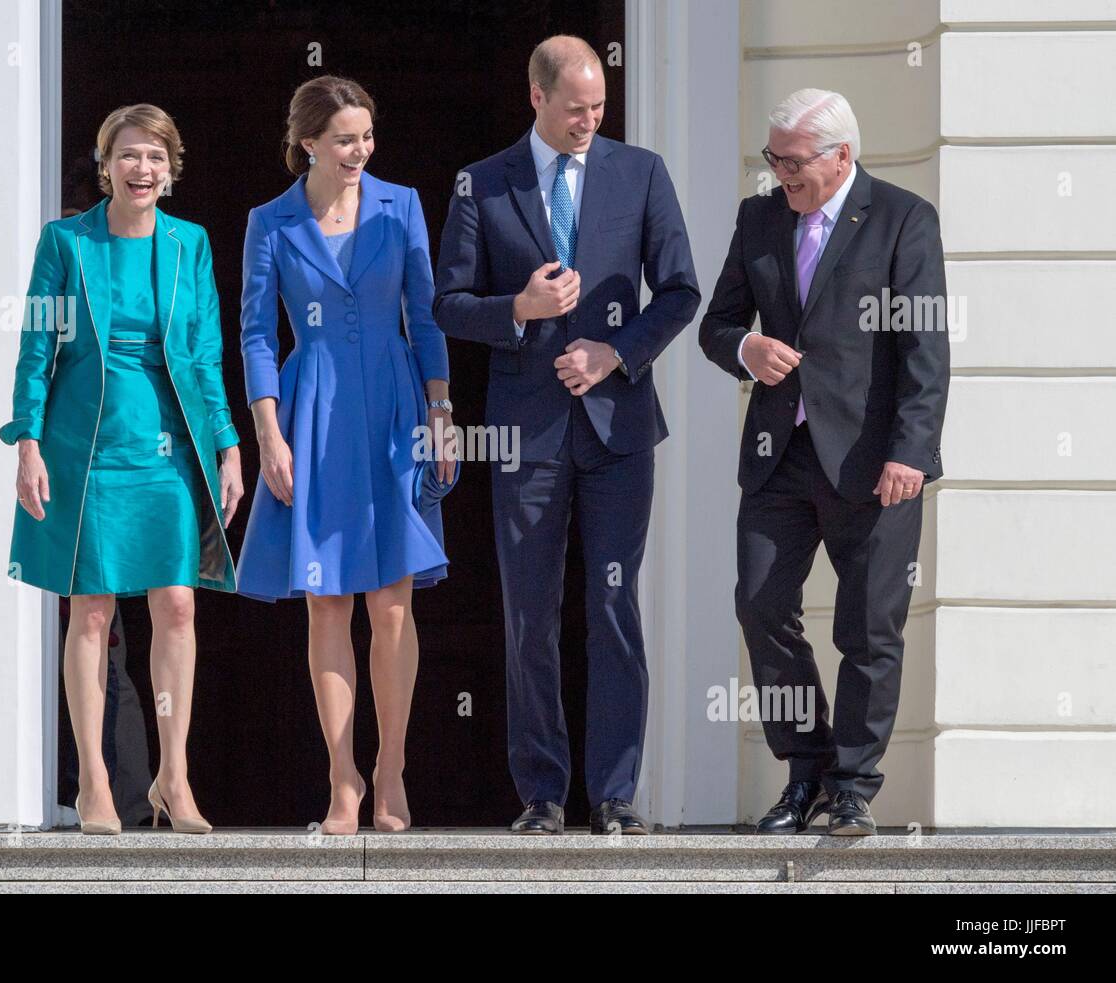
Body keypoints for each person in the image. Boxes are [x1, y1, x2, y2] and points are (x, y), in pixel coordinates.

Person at [434, 36, 700, 835]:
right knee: (530, 615)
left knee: (614, 607)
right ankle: (543, 794)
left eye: (598, 107)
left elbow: (681, 290)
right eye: (575, 106)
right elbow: (447, 303)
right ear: (536, 97)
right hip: (526, 436)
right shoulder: (482, 182)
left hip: (618, 431)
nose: (589, 119)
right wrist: (518, 310)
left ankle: (614, 794)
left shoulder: (641, 172)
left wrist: (616, 349)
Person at [698, 88, 950, 836]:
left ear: (842, 155)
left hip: (875, 463)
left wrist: (911, 450)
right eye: (773, 159)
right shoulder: (760, 217)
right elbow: (718, 323)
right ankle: (804, 769)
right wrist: (746, 348)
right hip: (781, 454)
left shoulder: (904, 218)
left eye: (794, 161)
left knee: (868, 627)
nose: (781, 174)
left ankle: (852, 785)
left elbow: (925, 351)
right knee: (761, 602)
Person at [0, 104, 244, 835]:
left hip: (167, 447)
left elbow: (203, 354)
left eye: (156, 158)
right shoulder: (65, 242)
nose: (143, 169)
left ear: (172, 170)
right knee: (93, 612)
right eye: (130, 156)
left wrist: (228, 445)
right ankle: (95, 783)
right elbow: (36, 347)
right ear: (106, 165)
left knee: (177, 603)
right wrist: (28, 440)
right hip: (87, 448)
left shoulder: (189, 244)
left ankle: (173, 774)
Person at [236, 76, 456, 834]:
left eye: (366, 136)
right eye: (343, 139)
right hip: (317, 410)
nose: (360, 150)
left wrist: (442, 409)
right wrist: (269, 431)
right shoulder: (270, 220)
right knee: (327, 600)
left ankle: (392, 768)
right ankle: (343, 780)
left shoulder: (402, 204)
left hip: (394, 404)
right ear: (309, 145)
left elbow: (425, 315)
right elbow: (257, 333)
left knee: (391, 600)